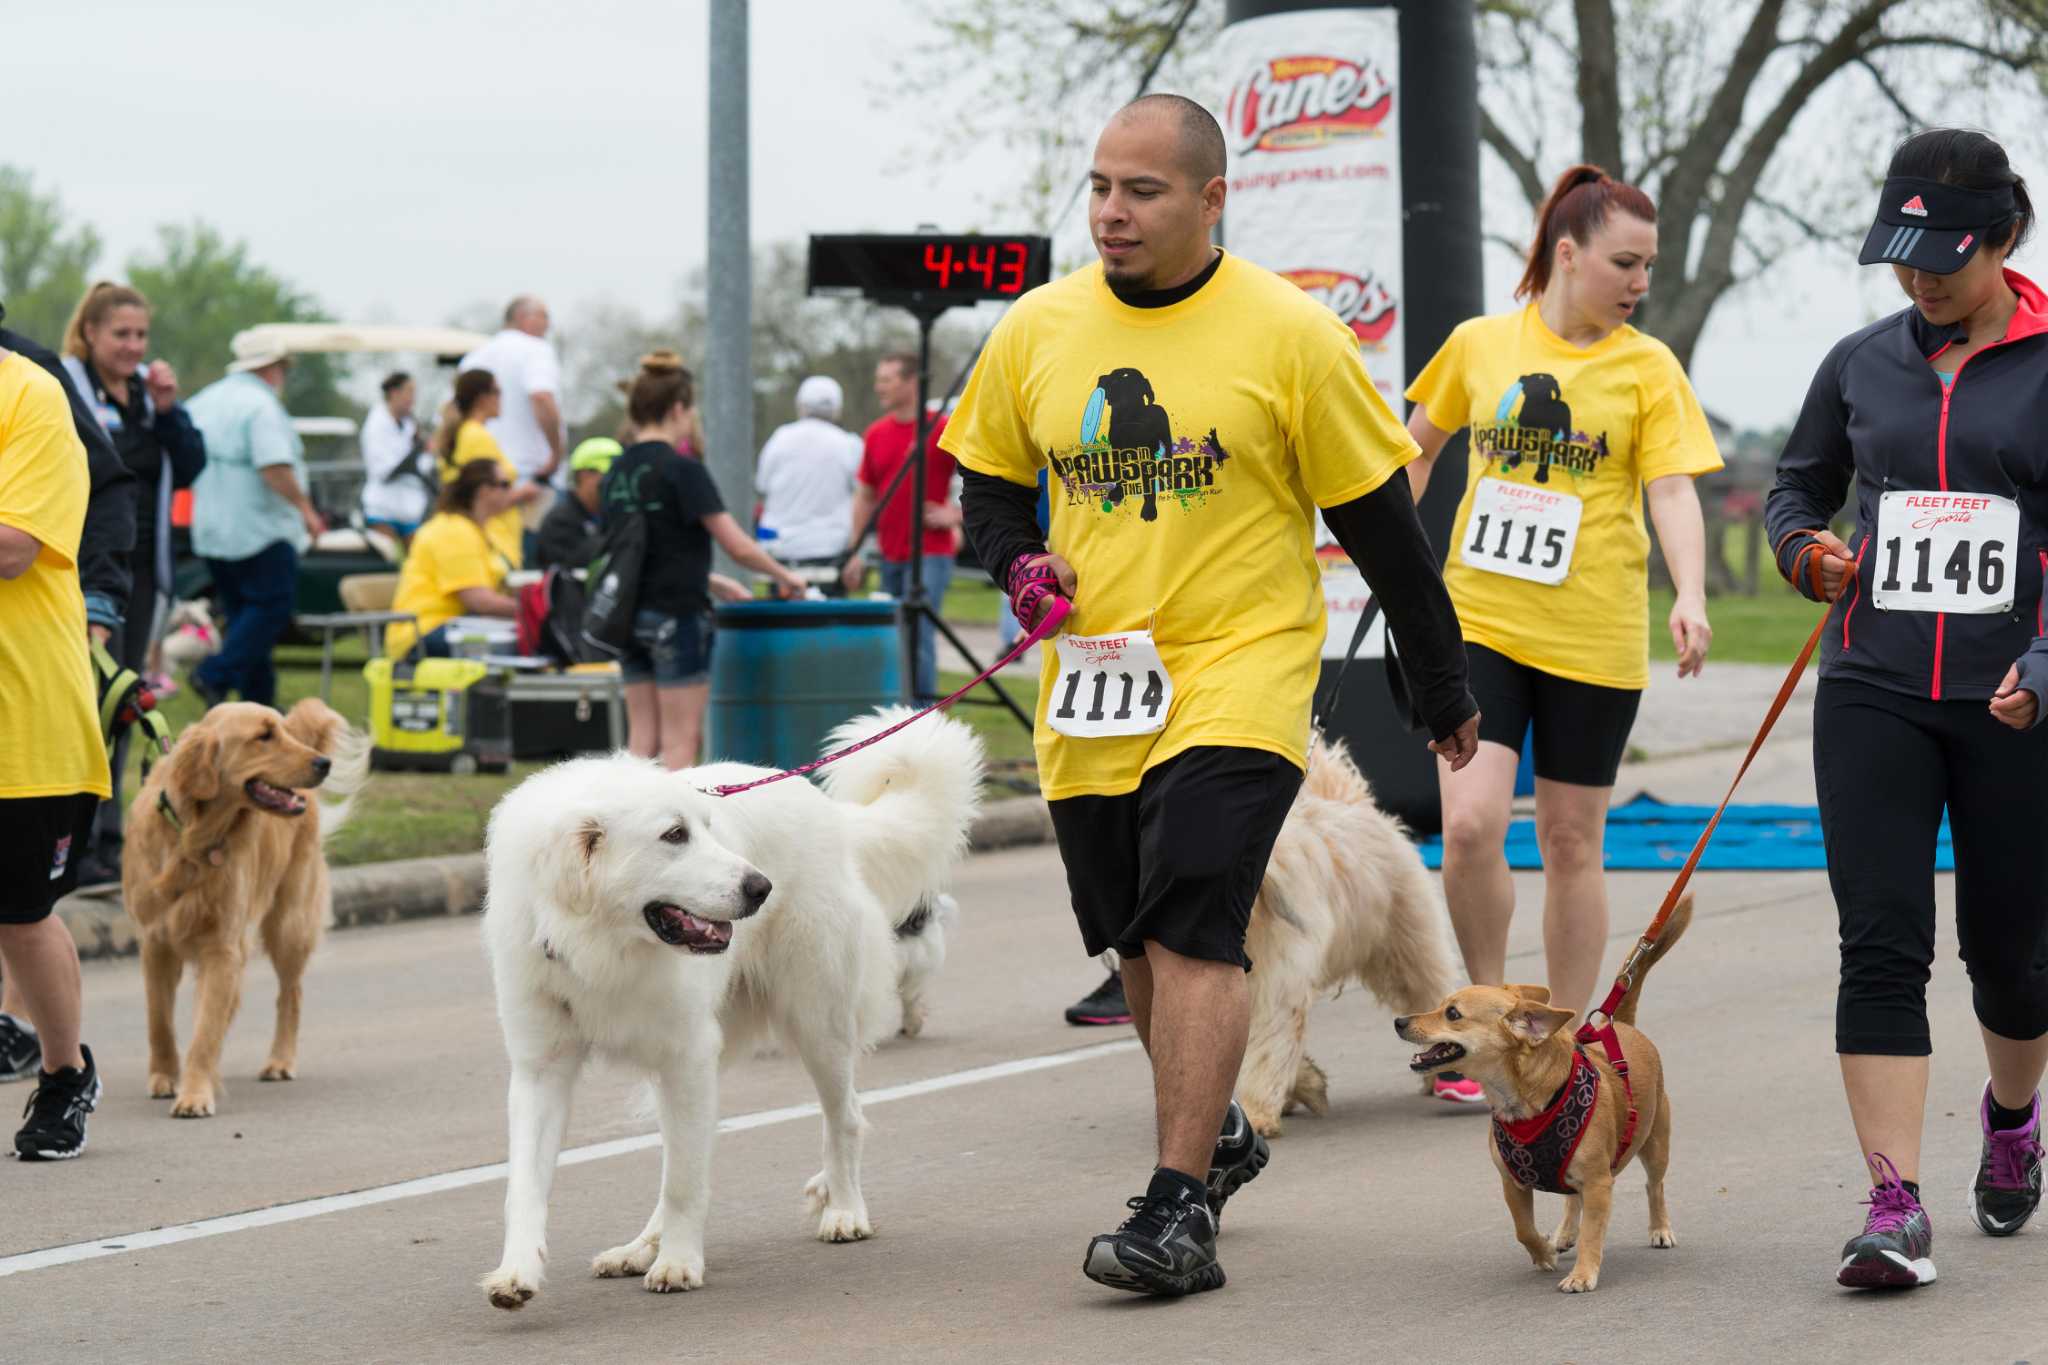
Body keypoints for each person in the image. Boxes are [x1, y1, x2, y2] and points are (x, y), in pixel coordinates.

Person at [948, 94, 1478, 1297]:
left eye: (1141, 191)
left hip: (1239, 667)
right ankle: (1216, 1139)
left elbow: (1382, 526)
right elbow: (983, 491)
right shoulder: (1035, 329)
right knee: (1133, 937)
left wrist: (1438, 679)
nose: (1112, 213)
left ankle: (1174, 1206)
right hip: (1093, 684)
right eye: (1098, 188)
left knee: (1197, 913)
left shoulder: (1288, 333)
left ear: (1211, 199)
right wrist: (1021, 564)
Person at [1766, 127, 2048, 1291]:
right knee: (1878, 944)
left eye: (1942, 253)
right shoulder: (1858, 361)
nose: (1918, 277)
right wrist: (1805, 556)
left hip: (2012, 702)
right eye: (1900, 254)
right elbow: (1795, 487)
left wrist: (2041, 662)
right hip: (1872, 685)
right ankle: (1890, 1204)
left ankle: (2013, 1115)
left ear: (2004, 238)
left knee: (2011, 960)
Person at [1402, 164, 1721, 1100]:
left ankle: (1567, 1047)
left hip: (1594, 634)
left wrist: (1691, 592)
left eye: (1649, 268)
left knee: (1574, 841)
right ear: (1567, 254)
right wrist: (1382, 560)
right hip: (1482, 626)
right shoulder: (1479, 345)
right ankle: (1480, 1020)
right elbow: (1413, 456)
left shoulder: (1647, 368)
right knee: (1468, 828)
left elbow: (1670, 488)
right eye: (1626, 262)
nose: (1640, 283)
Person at [0, 305, 136, 1061]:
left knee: (20, 915)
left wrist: (106, 604)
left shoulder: (30, 391)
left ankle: (61, 1072)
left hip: (23, 712)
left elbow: (13, 545)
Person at [58, 282, 207, 878]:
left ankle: (114, 834)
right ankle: (78, 840)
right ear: (89, 333)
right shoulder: (66, 386)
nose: (132, 346)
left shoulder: (147, 398)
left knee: (125, 703)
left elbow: (192, 464)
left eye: (140, 335)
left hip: (142, 569)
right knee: (92, 701)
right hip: (89, 567)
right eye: (120, 333)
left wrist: (170, 410)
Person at [603, 351, 807, 769]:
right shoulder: (683, 469)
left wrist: (713, 580)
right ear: (678, 409)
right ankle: (674, 833)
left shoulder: (616, 472)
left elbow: (641, 548)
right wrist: (787, 576)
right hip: (675, 615)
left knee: (640, 740)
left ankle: (622, 828)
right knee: (681, 742)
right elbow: (739, 546)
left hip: (628, 614)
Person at [185, 336, 325, 709]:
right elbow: (274, 466)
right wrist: (306, 509)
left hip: (212, 527)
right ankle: (214, 673)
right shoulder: (261, 406)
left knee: (241, 615)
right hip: (261, 528)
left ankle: (257, 701)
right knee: (271, 608)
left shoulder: (203, 401)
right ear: (272, 368)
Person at [842, 353, 959, 698]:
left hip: (931, 553)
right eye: (879, 379)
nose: (879, 387)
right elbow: (865, 495)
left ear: (911, 383)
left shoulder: (941, 429)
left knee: (918, 632)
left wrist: (955, 515)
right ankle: (894, 707)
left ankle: (920, 710)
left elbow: (987, 478)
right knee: (889, 635)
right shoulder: (876, 433)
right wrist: (855, 551)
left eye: (887, 379)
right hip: (890, 553)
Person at [385, 459, 521, 659]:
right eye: (505, 484)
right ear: (484, 490)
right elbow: (479, 601)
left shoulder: (483, 529)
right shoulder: (454, 530)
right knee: (521, 641)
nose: (512, 492)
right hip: (422, 634)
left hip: (456, 626)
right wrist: (532, 612)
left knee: (526, 638)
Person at [460, 296, 564, 543]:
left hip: (482, 493)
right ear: (523, 318)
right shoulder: (536, 349)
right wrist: (556, 453)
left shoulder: (473, 358)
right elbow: (541, 396)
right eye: (544, 316)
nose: (548, 324)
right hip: (531, 482)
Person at [756, 375, 862, 575]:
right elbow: (862, 493)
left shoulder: (779, 438)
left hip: (778, 548)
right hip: (830, 547)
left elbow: (762, 485)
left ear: (800, 406)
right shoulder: (849, 444)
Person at [434, 368, 535, 568]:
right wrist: (524, 494)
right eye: (497, 391)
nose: (502, 398)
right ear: (482, 397)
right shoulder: (476, 436)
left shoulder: (467, 433)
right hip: (493, 541)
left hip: (488, 539)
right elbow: (483, 496)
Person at [359, 371, 434, 541]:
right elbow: (383, 470)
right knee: (387, 562)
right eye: (409, 392)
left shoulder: (411, 425)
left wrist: (425, 451)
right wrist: (416, 452)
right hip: (382, 509)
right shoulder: (376, 425)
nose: (412, 399)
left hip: (411, 510)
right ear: (394, 393)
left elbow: (425, 465)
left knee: (416, 561)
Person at [534, 436, 619, 571]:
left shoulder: (615, 516)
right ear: (584, 475)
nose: (615, 485)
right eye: (609, 477)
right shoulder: (560, 522)